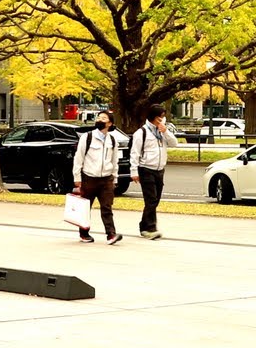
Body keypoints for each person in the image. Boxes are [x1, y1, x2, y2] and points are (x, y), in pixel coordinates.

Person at [72, 113, 125, 245]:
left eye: (104, 118)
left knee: (107, 207)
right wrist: (77, 177)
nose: (100, 120)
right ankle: (84, 233)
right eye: (99, 117)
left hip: (106, 179)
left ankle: (111, 234)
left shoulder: (112, 140)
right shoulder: (88, 137)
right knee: (85, 207)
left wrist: (115, 178)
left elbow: (114, 161)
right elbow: (78, 158)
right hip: (89, 178)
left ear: (110, 123)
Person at [130, 105, 179, 240]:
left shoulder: (162, 131)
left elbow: (174, 143)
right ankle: (150, 228)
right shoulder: (142, 133)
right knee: (151, 200)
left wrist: (166, 132)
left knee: (155, 200)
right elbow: (134, 153)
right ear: (152, 117)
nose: (162, 120)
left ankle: (144, 225)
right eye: (159, 117)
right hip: (146, 169)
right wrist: (134, 170)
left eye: (163, 117)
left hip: (159, 169)